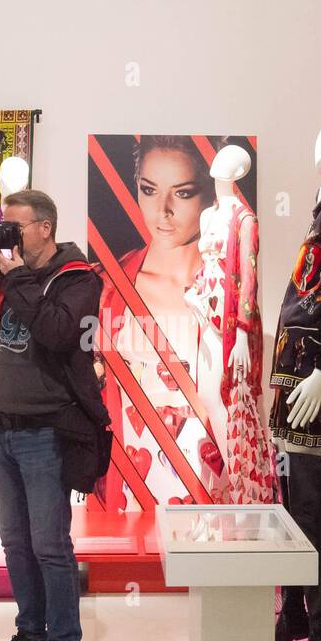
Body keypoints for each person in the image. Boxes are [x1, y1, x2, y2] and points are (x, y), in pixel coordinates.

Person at [0, 189, 108, 641]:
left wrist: (15, 274)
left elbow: (59, 333)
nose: (9, 236)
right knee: (16, 543)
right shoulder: (5, 275)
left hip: (47, 433)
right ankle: (31, 635)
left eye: (16, 228)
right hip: (4, 429)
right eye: (5, 227)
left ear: (45, 227)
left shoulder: (77, 278)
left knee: (50, 546)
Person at [93, 136, 225, 506]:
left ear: (208, 196)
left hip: (208, 478)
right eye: (149, 190)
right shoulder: (106, 285)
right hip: (126, 480)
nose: (162, 210)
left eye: (182, 193)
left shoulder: (225, 287)